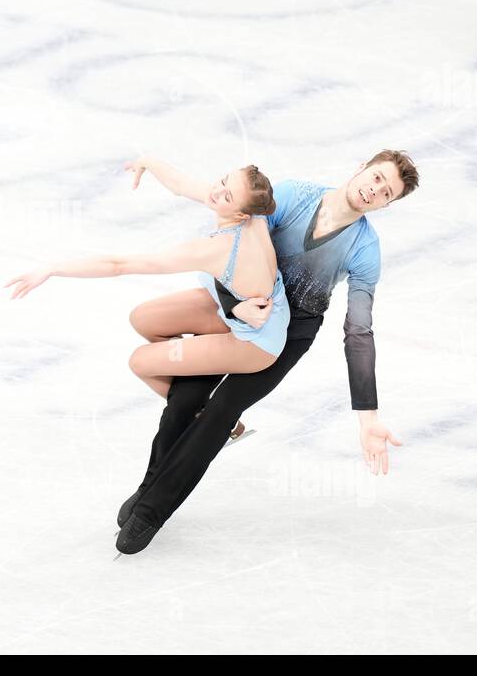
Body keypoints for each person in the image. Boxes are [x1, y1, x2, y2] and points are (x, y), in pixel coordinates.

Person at [115, 149, 420, 555]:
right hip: (241, 309)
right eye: (378, 177)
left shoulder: (365, 250)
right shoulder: (295, 195)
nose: (375, 190)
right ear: (362, 167)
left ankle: (152, 510)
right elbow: (234, 240)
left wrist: (368, 416)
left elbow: (359, 331)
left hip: (289, 334)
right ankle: (150, 486)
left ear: (387, 205)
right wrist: (230, 304)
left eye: (387, 193)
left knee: (220, 411)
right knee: (185, 398)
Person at [5, 163, 290, 395]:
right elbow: (182, 185)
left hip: (255, 343)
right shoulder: (253, 215)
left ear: (240, 212)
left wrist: (53, 268)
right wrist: (148, 160)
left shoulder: (213, 250)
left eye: (227, 195)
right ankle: (196, 372)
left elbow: (119, 265)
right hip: (249, 312)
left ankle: (206, 420)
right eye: (223, 180)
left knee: (141, 361)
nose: (217, 191)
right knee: (144, 318)